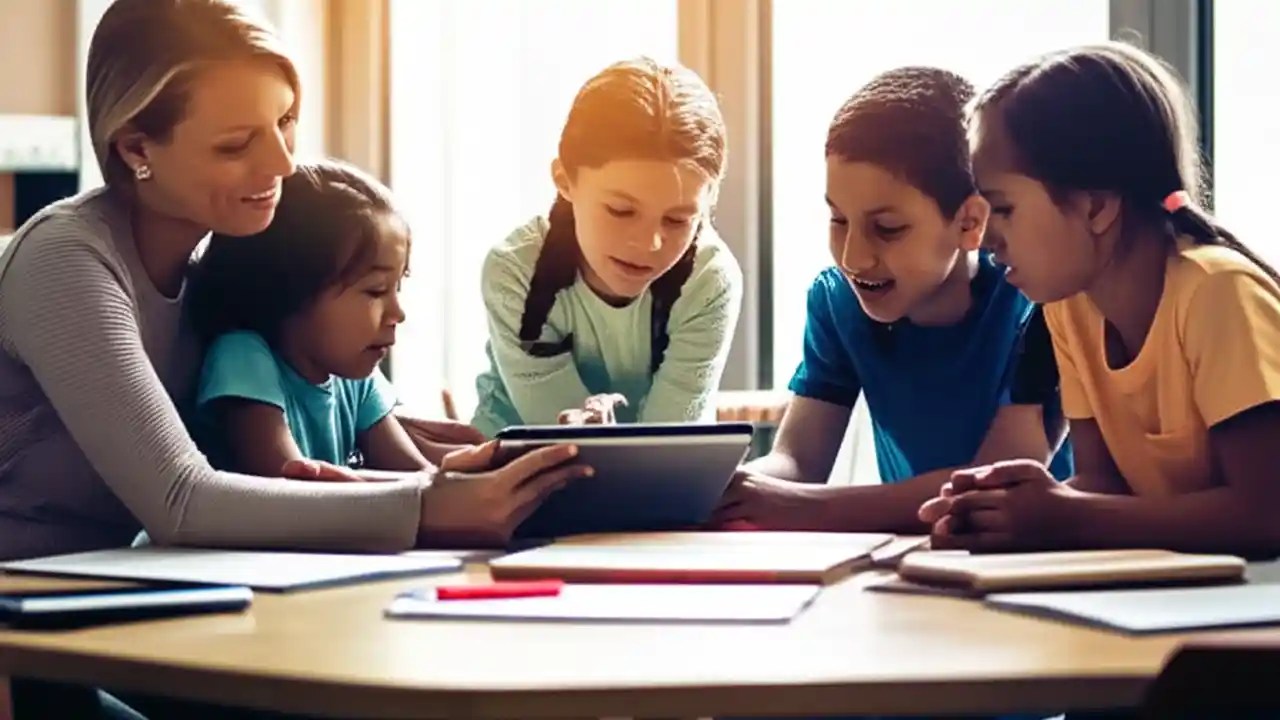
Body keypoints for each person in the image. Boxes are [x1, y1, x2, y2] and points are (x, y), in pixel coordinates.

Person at [0, 0, 587, 564]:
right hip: (26, 607)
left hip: (120, 590)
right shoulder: (66, 260)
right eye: (236, 144)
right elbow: (180, 499)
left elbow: (288, 414)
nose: (282, 163)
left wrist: (463, 461)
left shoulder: (216, 266)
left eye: (285, 122)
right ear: (135, 149)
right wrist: (427, 506)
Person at [920, 42, 1280, 557]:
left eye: (1004, 209)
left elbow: (1265, 515)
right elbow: (1104, 484)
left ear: (1095, 207)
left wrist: (1068, 515)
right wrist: (1005, 512)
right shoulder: (1069, 308)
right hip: (1191, 593)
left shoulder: (1219, 294)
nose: (987, 237)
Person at [712, 67, 1071, 534]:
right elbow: (797, 464)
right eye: (838, 220)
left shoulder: (1036, 302)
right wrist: (720, 489)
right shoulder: (837, 303)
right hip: (911, 561)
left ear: (969, 223)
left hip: (1036, 559)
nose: (852, 256)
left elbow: (992, 485)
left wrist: (800, 507)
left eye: (888, 229)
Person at [470, 57, 743, 437]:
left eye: (679, 220)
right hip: (512, 479)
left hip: (654, 482)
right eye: (621, 210)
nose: (650, 243)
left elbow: (667, 445)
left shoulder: (709, 280)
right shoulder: (516, 272)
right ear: (564, 180)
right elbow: (569, 443)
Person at [185, 160, 459, 478]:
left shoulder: (354, 375)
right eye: (376, 290)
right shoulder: (242, 357)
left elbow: (418, 476)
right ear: (291, 290)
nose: (397, 313)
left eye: (398, 287)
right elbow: (293, 485)